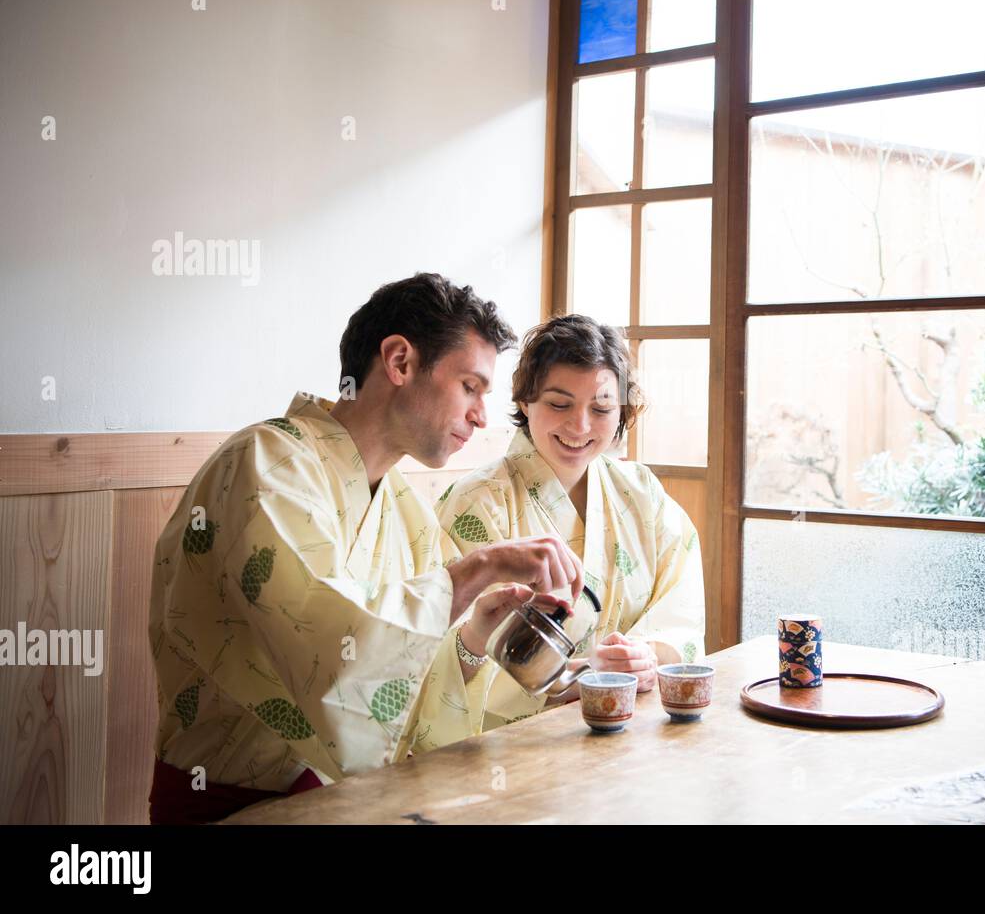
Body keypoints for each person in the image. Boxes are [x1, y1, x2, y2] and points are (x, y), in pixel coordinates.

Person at [148, 273, 583, 823]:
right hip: (230, 803)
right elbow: (324, 639)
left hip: (353, 805)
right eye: (470, 386)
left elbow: (406, 694)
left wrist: (474, 632)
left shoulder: (406, 511)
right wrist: (475, 569)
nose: (480, 415)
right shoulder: (265, 464)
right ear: (399, 361)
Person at [430, 314, 705, 739]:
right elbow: (457, 643)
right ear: (525, 401)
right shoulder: (476, 502)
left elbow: (680, 598)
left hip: (634, 724)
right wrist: (579, 673)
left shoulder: (641, 492)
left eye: (600, 408)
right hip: (518, 742)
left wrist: (645, 656)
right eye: (559, 404)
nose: (579, 426)